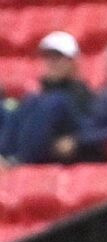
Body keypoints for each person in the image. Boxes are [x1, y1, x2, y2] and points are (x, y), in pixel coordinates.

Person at [0, 34, 93, 167]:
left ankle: (19, 161)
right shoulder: (38, 96)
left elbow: (91, 124)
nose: (51, 63)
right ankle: (4, 156)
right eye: (48, 58)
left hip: (68, 144)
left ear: (73, 62)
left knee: (54, 101)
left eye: (57, 59)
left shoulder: (82, 93)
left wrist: (76, 140)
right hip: (45, 143)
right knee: (11, 106)